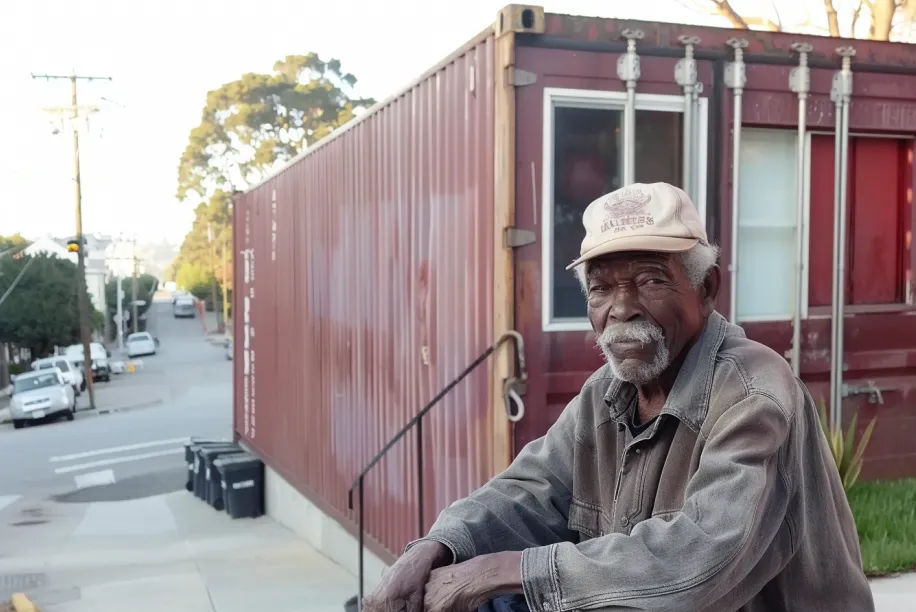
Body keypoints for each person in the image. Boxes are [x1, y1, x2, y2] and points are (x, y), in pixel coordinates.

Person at [363, 182, 875, 612]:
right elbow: (530, 488)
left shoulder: (754, 392)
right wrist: (437, 547)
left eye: (650, 279)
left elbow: (698, 559)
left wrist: (502, 570)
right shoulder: (606, 393)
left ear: (707, 287)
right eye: (601, 288)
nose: (622, 309)